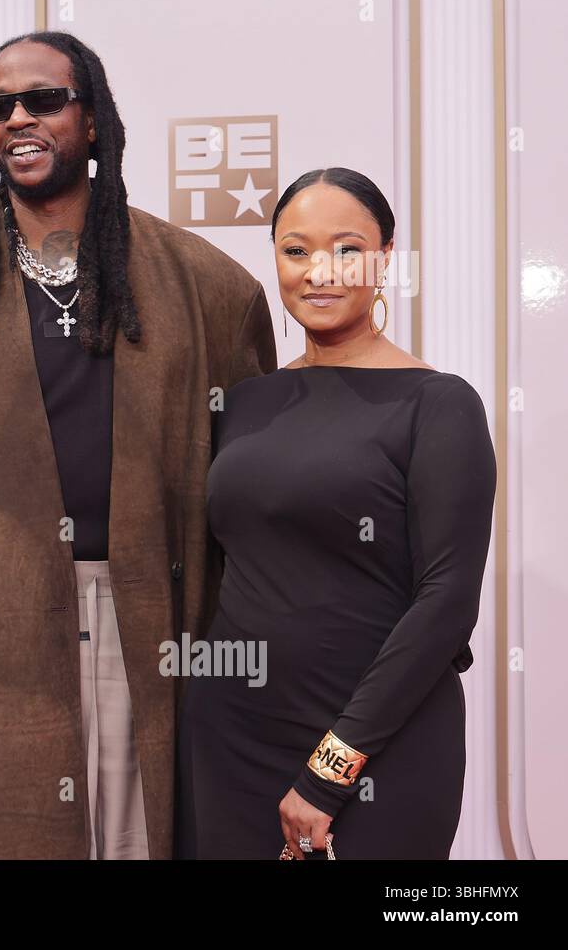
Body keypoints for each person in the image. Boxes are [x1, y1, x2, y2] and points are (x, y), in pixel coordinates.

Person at [0, 31, 276, 859]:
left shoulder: (207, 287)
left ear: (92, 119)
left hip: (144, 619)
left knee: (134, 839)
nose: (18, 118)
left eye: (44, 99)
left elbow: (253, 510)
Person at [177, 168, 497, 859]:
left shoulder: (439, 405)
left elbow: (447, 603)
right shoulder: (246, 402)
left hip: (379, 743)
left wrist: (331, 771)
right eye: (295, 250)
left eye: (347, 249)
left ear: (386, 258)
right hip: (230, 737)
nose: (320, 271)